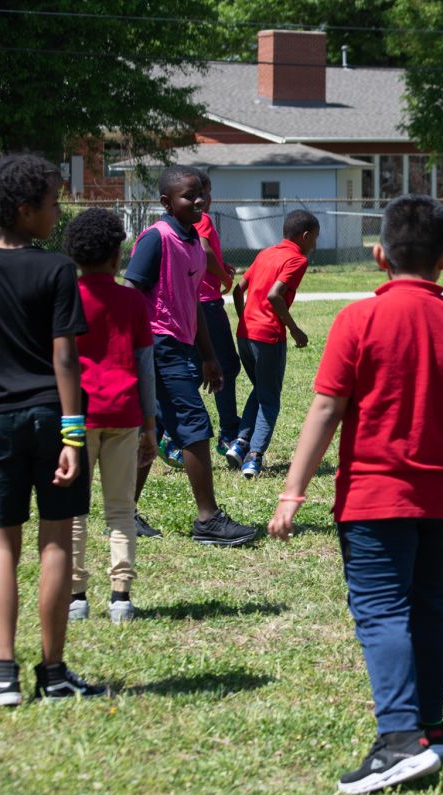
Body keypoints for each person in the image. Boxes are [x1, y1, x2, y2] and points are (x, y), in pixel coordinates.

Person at [267, 195, 443, 793]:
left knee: (381, 613)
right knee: (427, 606)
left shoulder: (357, 321)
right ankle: (430, 730)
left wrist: (292, 492)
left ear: (378, 257)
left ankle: (399, 741)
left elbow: (326, 408)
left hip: (375, 499)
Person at [0, 154, 106, 707]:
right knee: (56, 539)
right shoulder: (57, 270)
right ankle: (54, 673)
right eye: (52, 204)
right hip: (54, 416)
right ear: (24, 211)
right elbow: (65, 359)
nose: (59, 212)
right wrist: (73, 435)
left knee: (1, 543)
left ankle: (0, 673)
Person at [124, 166, 260, 547]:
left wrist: (209, 355)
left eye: (200, 192)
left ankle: (123, 513)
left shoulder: (195, 242)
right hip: (157, 344)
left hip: (181, 344)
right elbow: (131, 291)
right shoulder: (157, 239)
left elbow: (194, 304)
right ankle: (208, 520)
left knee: (156, 429)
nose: (199, 200)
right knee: (193, 423)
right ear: (167, 202)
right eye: (189, 195)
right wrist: (132, 351)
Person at [63, 208, 158, 625]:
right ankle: (121, 597)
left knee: (74, 509)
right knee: (120, 509)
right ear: (118, 255)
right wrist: (151, 425)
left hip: (77, 418)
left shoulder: (65, 298)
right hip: (124, 413)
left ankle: (76, 596)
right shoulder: (133, 300)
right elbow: (144, 365)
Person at [227, 210, 318, 478]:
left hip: (244, 334)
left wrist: (245, 318)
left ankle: (240, 444)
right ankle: (254, 458)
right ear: (305, 235)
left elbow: (236, 290)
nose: (314, 244)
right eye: (314, 238)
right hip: (268, 338)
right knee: (269, 400)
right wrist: (295, 329)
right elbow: (275, 295)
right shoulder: (297, 259)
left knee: (261, 388)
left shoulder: (266, 253)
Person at [193, 169, 242, 464]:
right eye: (206, 192)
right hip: (207, 305)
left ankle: (170, 429)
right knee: (226, 366)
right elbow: (204, 250)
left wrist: (223, 265)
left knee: (194, 367)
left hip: (189, 303)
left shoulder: (177, 221)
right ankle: (227, 432)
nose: (207, 199)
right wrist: (223, 276)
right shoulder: (204, 218)